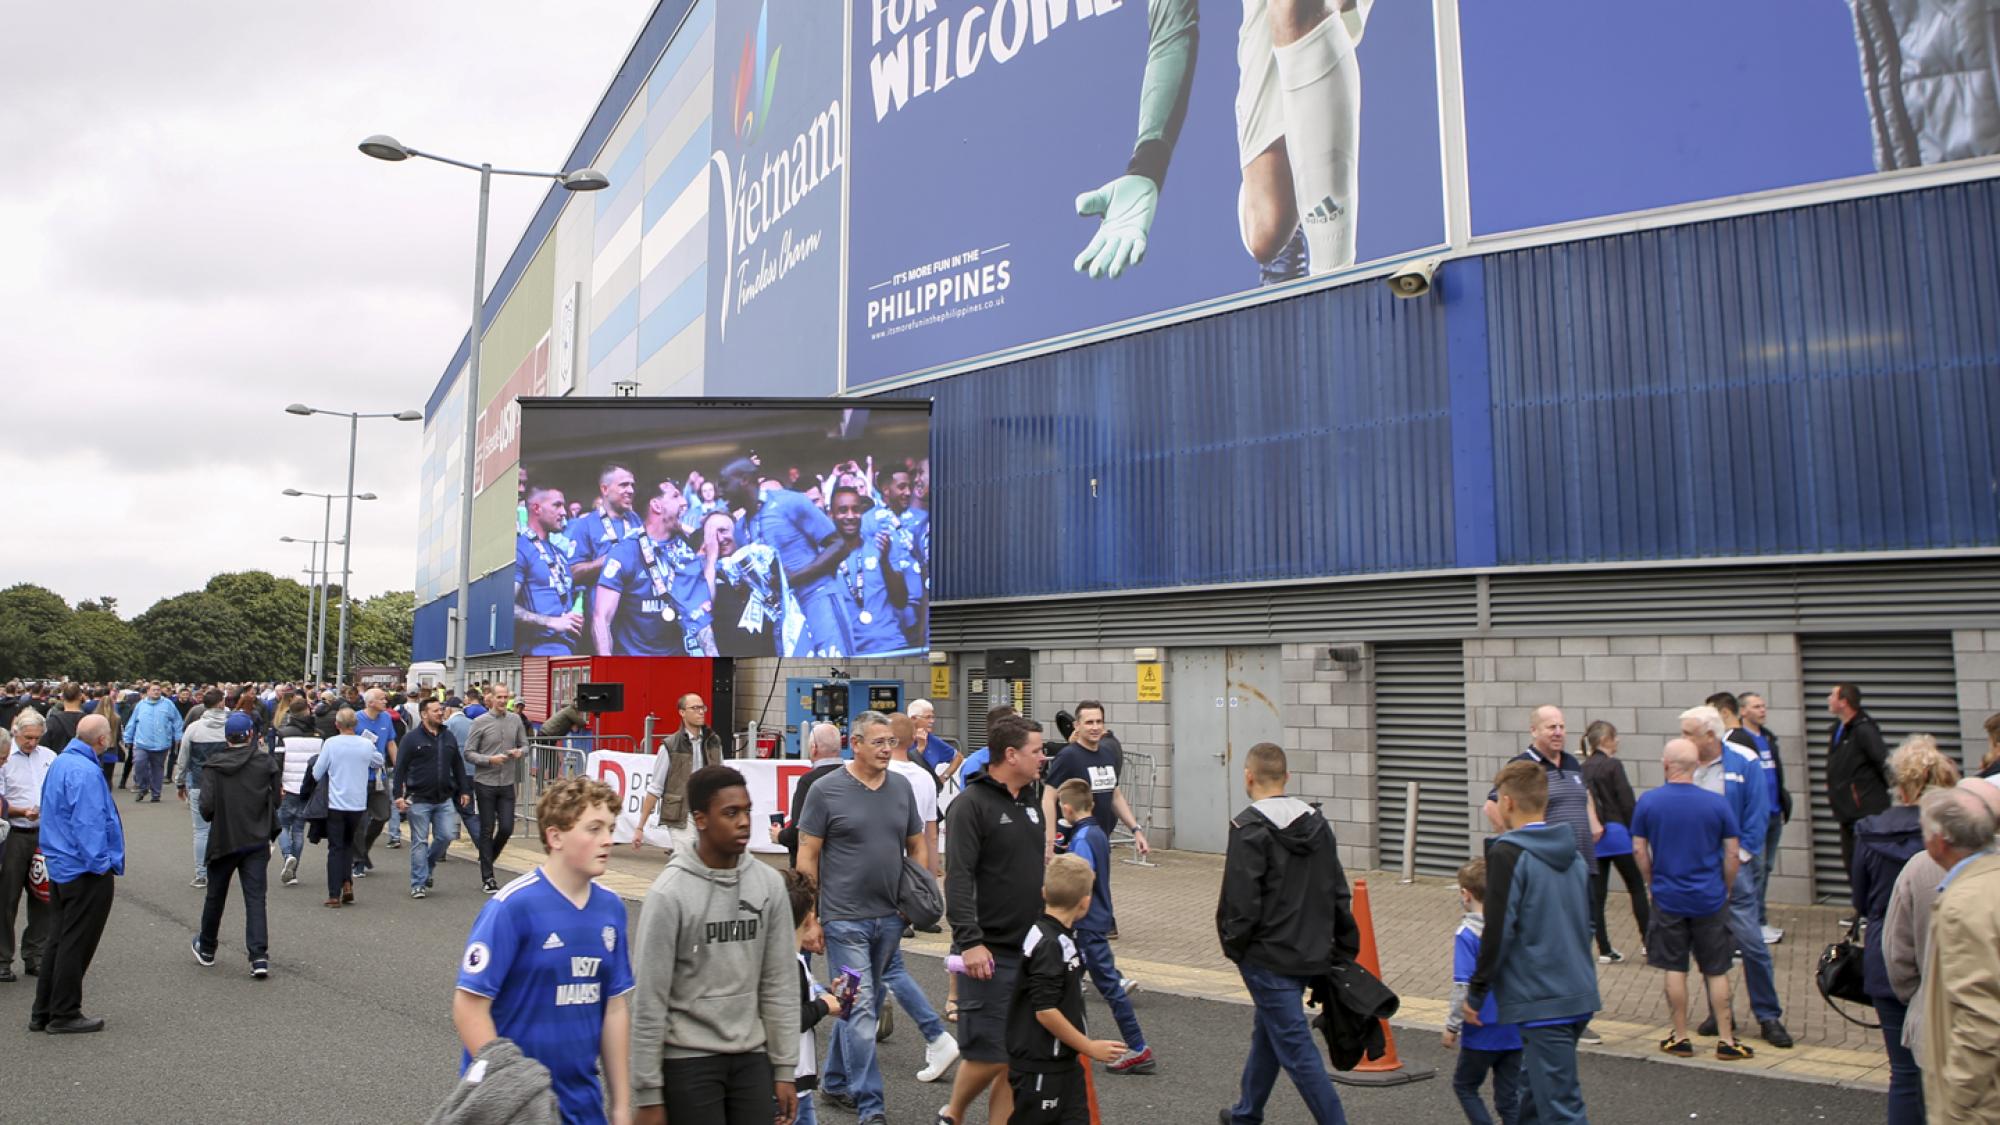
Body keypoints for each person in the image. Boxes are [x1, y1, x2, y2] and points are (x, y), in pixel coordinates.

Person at [455, 777, 635, 1125]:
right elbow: (469, 1005)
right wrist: (511, 1087)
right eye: (594, 829)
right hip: (515, 1108)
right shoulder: (512, 907)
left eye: (611, 828)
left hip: (581, 1104)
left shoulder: (612, 908)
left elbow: (614, 1009)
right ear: (555, 837)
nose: (608, 840)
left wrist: (621, 1106)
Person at [797, 711, 943, 1124]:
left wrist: (910, 896)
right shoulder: (826, 790)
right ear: (855, 744)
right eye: (878, 742)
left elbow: (917, 844)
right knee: (861, 1010)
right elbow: (807, 857)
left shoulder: (900, 786)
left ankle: (837, 1080)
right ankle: (871, 1106)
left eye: (890, 743)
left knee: (856, 1002)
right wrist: (812, 917)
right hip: (845, 922)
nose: (886, 750)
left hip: (889, 920)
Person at [631, 766, 798, 1125]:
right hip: (687, 1060)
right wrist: (647, 1093)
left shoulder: (768, 886)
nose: (744, 822)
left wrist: (785, 1068)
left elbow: (780, 983)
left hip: (751, 1055)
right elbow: (649, 999)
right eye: (730, 813)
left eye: (747, 811)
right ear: (701, 819)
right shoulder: (668, 894)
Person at [1216, 742, 1355, 1125]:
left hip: (1267, 955)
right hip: (1312, 949)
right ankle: (1246, 1113)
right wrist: (1344, 946)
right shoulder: (1317, 822)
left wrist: (1234, 946)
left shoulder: (1248, 827)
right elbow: (1337, 888)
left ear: (1248, 776)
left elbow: (1241, 900)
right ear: (1287, 777)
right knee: (1270, 1030)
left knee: (1296, 1047)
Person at [1465, 759, 1601, 1123]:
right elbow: (1587, 921)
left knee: (1560, 1108)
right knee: (1533, 1097)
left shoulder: (1509, 854)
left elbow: (1497, 929)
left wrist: (1477, 991)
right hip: (1577, 989)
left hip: (1542, 998)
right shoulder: (1571, 853)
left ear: (1507, 802)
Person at [939, 717, 1049, 1125]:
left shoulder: (1030, 800)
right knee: (989, 1052)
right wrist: (969, 941)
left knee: (1015, 1059)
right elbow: (959, 876)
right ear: (1010, 755)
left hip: (1029, 951)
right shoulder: (971, 805)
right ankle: (952, 1113)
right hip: (989, 952)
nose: (1043, 757)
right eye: (1037, 750)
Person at [1850, 735, 1960, 1124]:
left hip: (1888, 955)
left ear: (1900, 783)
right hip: (1947, 956)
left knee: (1904, 1073)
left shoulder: (1870, 829)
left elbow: (1861, 901)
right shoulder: (1957, 834)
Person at [1481, 705, 1602, 1044]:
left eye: (1562, 726)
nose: (1558, 732)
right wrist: (1516, 842)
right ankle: (1553, 1008)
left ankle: (1578, 1007)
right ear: (1534, 731)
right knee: (1553, 939)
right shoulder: (1523, 767)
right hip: (1546, 869)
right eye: (1551, 727)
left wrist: (1593, 824)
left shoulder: (1574, 764)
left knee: (1583, 934)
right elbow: (1492, 804)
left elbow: (1583, 797)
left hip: (1580, 866)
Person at [1630, 739, 1748, 1061]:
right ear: (1695, 766)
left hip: (1668, 897)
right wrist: (1725, 886)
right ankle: (1726, 1040)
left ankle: (1680, 1036)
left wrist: (1651, 880)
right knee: (1717, 969)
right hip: (1710, 898)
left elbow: (1639, 849)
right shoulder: (1717, 803)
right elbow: (1733, 852)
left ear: (1665, 764)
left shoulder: (1649, 802)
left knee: (1674, 967)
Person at [1683, 705, 1791, 1048]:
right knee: (1711, 944)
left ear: (1710, 735)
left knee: (1751, 942)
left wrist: (1741, 858)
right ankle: (1720, 1012)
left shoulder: (1744, 761)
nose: (1683, 740)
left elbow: (1758, 812)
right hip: (1699, 870)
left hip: (1736, 867)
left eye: (1689, 734)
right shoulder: (1684, 764)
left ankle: (1768, 1015)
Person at [1005, 853, 1123, 1125]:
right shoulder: (1048, 944)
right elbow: (1045, 1010)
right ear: (1086, 902)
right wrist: (1089, 1047)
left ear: (1044, 892)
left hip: (1065, 1062)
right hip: (1041, 1065)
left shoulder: (1061, 937)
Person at [30, 714, 123, 1034]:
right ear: (101, 740)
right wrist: (101, 864)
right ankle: (64, 1012)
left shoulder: (62, 762)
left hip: (62, 863)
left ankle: (44, 1009)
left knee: (59, 938)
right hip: (82, 867)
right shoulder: (84, 771)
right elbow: (89, 824)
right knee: (75, 941)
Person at [1055, 779, 1154, 1074]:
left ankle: (1138, 1047)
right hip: (1094, 920)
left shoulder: (1082, 839)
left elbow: (1082, 879)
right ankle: (1062, 1041)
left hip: (1087, 924)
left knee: (1107, 985)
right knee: (1065, 982)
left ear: (1067, 808)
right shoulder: (1097, 833)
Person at [1917, 786, 2000, 1121]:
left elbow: (1982, 1016)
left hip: (1982, 1103)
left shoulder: (1961, 905)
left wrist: (1957, 1098)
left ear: (1939, 841)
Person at [721, 457, 851, 658]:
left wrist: (795, 578)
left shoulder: (789, 502)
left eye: (724, 485)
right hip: (785, 616)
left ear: (744, 480)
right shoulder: (740, 529)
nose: (721, 493)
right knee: (802, 684)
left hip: (818, 600)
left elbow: (839, 545)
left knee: (835, 679)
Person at [191, 712, 280, 978]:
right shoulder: (265, 762)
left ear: (226, 737)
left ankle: (207, 947)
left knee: (215, 895)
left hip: (224, 837)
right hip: (256, 837)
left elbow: (206, 808)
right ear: (251, 735)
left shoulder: (213, 765)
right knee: (255, 898)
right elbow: (276, 799)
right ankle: (259, 956)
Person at [593, 477, 714, 657]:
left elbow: (701, 618)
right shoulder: (625, 552)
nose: (683, 502)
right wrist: (606, 670)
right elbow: (601, 619)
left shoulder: (684, 552)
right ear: (657, 506)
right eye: (675, 496)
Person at [1444, 858, 1522, 1125]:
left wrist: (1452, 1026)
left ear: (1466, 894)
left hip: (1481, 1026)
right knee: (1510, 1096)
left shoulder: (1466, 934)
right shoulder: (1514, 927)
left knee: (1465, 1086)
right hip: (1515, 1024)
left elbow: (1463, 985)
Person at [1042, 701, 1151, 867]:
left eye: (1099, 722)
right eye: (1089, 722)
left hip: (1100, 841)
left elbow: (1115, 796)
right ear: (1077, 726)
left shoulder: (1107, 755)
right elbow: (1048, 798)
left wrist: (1135, 830)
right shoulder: (1068, 757)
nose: (1095, 727)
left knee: (1101, 892)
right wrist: (1050, 843)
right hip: (1074, 846)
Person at [1578, 721, 1648, 963]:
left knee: (1598, 896)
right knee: (1636, 887)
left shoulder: (1583, 768)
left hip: (1595, 837)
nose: (1618, 741)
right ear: (1606, 739)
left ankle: (1605, 949)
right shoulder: (1613, 765)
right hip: (1618, 833)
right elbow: (1626, 801)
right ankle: (1649, 942)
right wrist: (1637, 831)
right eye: (1615, 737)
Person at [1725, 692, 1791, 943]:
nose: (1763, 710)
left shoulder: (1768, 738)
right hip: (1755, 819)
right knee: (1757, 870)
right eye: (1756, 706)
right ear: (1743, 712)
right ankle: (1756, 923)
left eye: (1764, 706)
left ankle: (1759, 919)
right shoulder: (1739, 741)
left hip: (1773, 813)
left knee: (1766, 868)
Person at [783, 869, 845, 1125]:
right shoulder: (788, 964)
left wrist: (829, 995)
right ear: (810, 917)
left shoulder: (790, 958)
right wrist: (823, 1006)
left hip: (794, 1079)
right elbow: (787, 1019)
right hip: (788, 1080)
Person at [828, 485, 920, 655]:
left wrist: (884, 562)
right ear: (831, 515)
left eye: (855, 510)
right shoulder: (824, 559)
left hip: (893, 647)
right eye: (842, 510)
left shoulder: (881, 547)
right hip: (854, 654)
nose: (850, 516)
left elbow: (901, 600)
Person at [394, 696, 471, 900]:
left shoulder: (448, 737)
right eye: (436, 710)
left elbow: (458, 765)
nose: (440, 713)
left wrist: (464, 790)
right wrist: (397, 796)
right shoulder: (411, 739)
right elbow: (400, 768)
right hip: (418, 798)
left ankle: (428, 865)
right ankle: (418, 883)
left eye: (441, 709)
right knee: (419, 841)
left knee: (446, 836)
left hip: (444, 798)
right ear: (424, 714)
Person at [0, 710, 55, 983]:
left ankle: (36, 955)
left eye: (36, 737)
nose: (31, 743)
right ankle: (2, 959)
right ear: (16, 732)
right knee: (6, 899)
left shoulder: (49, 757)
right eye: (27, 737)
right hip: (14, 834)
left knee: (42, 897)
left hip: (43, 835)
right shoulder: (5, 756)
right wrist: (21, 811)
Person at [1825, 682, 1891, 907]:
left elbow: (1883, 762)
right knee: (1852, 862)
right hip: (1845, 810)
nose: (1827, 699)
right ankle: (1861, 911)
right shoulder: (1838, 729)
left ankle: (1873, 911)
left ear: (1843, 702)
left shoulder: (1864, 729)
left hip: (1864, 810)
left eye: (1832, 695)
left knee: (1866, 863)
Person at [636, 693, 725, 857]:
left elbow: (722, 781)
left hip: (707, 810)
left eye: (702, 707)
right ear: (682, 712)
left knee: (707, 859)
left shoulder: (714, 742)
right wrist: (640, 827)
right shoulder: (670, 746)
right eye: (694, 708)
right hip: (680, 813)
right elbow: (655, 788)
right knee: (687, 856)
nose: (700, 712)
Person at [312, 708, 383, 908]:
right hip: (358, 803)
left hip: (335, 803)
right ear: (356, 725)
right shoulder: (366, 744)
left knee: (336, 847)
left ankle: (334, 893)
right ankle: (347, 883)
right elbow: (379, 761)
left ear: (337, 725)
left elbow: (317, 772)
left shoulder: (331, 743)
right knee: (348, 844)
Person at [465, 685, 530, 894]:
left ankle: (487, 858)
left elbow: (526, 745)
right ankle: (488, 877)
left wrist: (520, 752)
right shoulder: (480, 722)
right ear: (490, 698)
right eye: (499, 697)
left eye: (505, 697)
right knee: (487, 828)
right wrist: (489, 760)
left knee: (507, 827)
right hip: (485, 782)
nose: (503, 701)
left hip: (507, 782)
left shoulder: (515, 720)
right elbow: (469, 753)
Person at [565, 462, 644, 635]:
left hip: (639, 618)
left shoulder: (637, 521)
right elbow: (572, 573)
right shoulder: (585, 525)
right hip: (606, 619)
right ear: (605, 489)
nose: (630, 490)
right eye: (623, 485)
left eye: (632, 485)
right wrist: (611, 560)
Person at [175, 689, 229, 889]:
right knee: (224, 828)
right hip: (226, 783)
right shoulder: (230, 727)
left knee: (200, 831)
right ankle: (222, 870)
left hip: (200, 782)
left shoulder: (193, 729)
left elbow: (183, 758)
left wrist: (180, 782)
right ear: (221, 703)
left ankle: (201, 874)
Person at [774, 724, 844, 867]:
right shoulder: (852, 777)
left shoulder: (808, 781)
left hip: (815, 866)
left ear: (814, 748)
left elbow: (798, 832)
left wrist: (779, 836)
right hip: (843, 864)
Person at [273, 698, 321, 887]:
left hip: (288, 786)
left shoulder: (283, 734)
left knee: (282, 825)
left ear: (290, 714)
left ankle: (287, 856)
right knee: (299, 830)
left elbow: (277, 761)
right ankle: (293, 871)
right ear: (308, 711)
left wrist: (277, 784)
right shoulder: (319, 736)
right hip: (308, 788)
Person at [353, 688, 401, 871]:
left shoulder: (386, 718)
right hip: (359, 775)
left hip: (379, 775)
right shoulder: (356, 719)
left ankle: (363, 850)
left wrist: (398, 767)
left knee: (383, 815)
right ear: (370, 702)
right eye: (382, 699)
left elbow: (390, 743)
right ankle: (357, 861)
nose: (386, 701)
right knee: (360, 820)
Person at [126, 682, 183, 802]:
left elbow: (177, 721)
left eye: (158, 690)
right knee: (139, 763)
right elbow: (132, 722)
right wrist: (128, 738)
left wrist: (178, 736)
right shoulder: (140, 705)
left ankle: (156, 794)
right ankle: (143, 787)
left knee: (157, 769)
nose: (156, 692)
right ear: (148, 692)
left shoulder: (168, 704)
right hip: (142, 742)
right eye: (153, 690)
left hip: (161, 743)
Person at [908, 700, 956, 773]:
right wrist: (920, 747)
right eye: (928, 717)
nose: (932, 721)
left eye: (932, 717)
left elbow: (958, 756)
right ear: (913, 719)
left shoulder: (932, 740)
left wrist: (944, 776)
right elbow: (908, 768)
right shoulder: (901, 740)